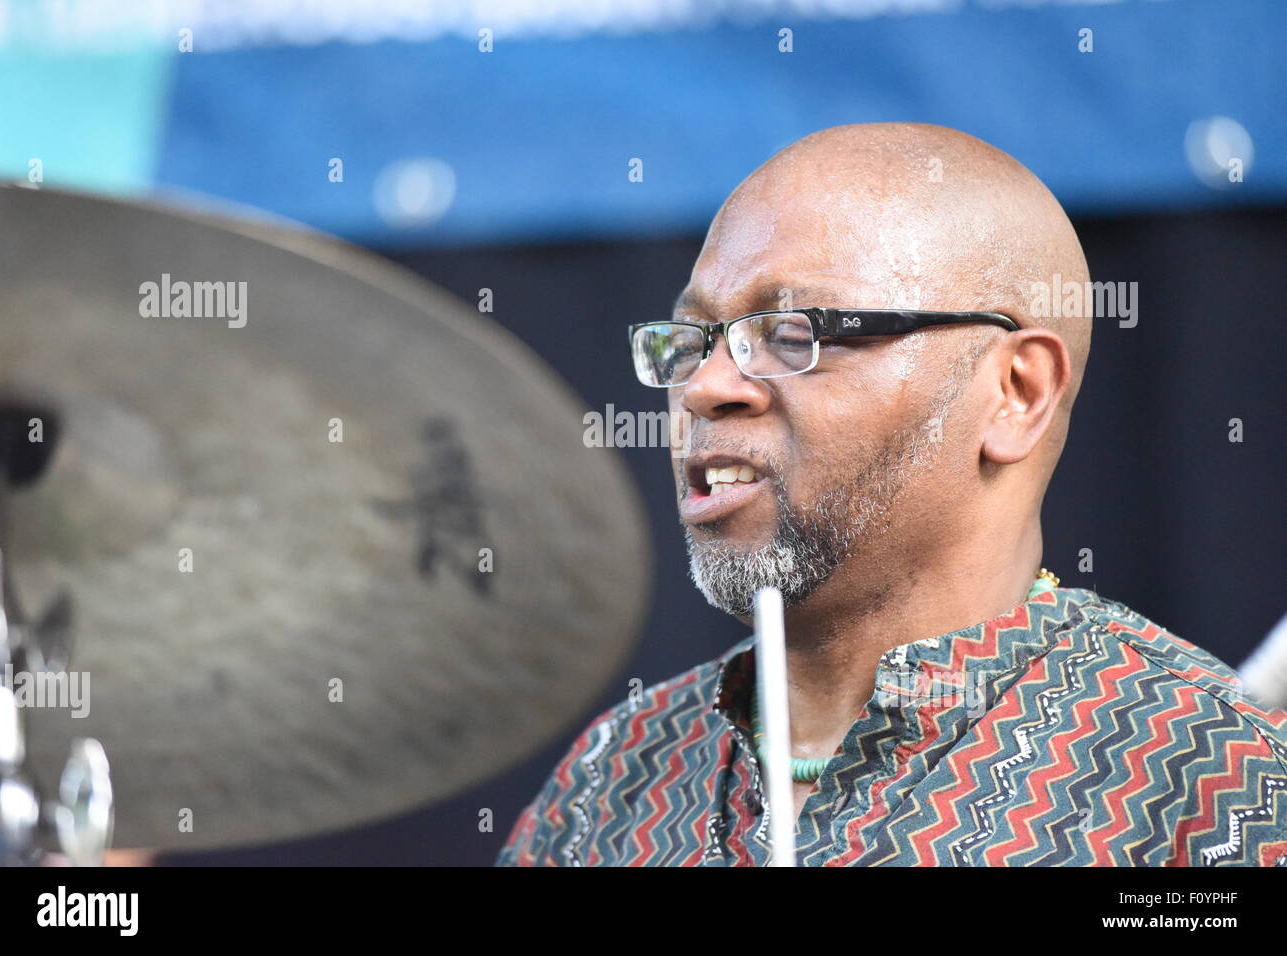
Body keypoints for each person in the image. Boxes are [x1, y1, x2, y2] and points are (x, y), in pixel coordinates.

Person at [496, 123, 1287, 866]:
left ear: (1016, 392)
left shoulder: (1213, 780)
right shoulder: (610, 781)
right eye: (692, 340)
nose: (704, 387)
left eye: (794, 332)